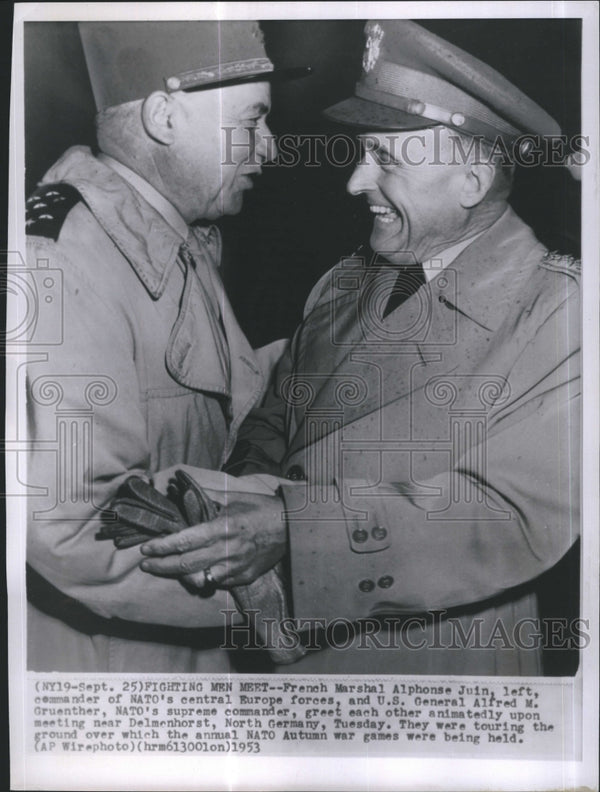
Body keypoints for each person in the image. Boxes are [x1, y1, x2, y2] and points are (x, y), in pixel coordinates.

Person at [138, 20, 581, 675]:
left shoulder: (561, 313)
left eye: (387, 160)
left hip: (429, 696)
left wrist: (291, 529)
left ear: (472, 178)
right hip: (281, 672)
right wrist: (223, 509)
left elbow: (509, 517)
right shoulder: (342, 285)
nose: (353, 183)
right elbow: (275, 421)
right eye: (361, 153)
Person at [25, 20, 306, 672]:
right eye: (253, 121)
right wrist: (267, 571)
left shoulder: (180, 234)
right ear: (164, 117)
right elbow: (70, 520)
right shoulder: (59, 260)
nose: (269, 149)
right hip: (111, 679)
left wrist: (327, 356)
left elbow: (214, 413)